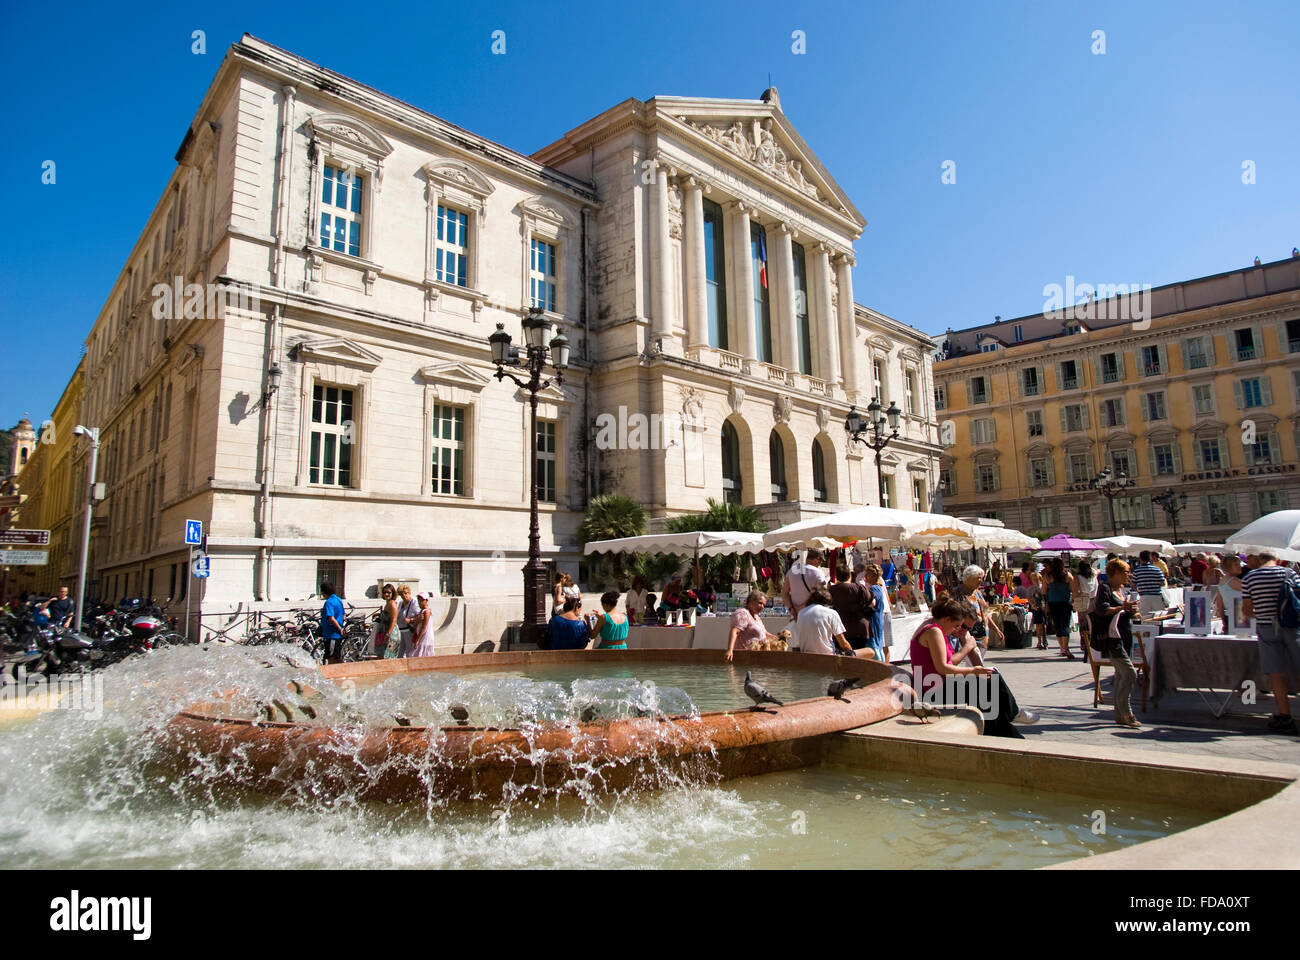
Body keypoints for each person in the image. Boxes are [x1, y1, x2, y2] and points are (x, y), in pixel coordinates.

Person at [908, 597, 1024, 738]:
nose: (956, 629)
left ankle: (1008, 727)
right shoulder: (934, 632)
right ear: (947, 619)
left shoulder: (933, 628)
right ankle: (1013, 715)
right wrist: (972, 669)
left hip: (938, 684)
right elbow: (943, 667)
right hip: (936, 688)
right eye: (956, 625)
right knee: (991, 683)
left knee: (990, 695)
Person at [1242, 551, 1300, 734]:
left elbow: (1248, 610)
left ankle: (1285, 716)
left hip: (1267, 627)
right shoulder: (1289, 574)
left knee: (1277, 674)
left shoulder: (1250, 577)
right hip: (1292, 626)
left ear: (1259, 559)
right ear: (1277, 559)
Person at [1090, 560, 1141, 729]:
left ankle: (1119, 714)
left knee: (1121, 675)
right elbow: (1102, 610)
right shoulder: (1104, 589)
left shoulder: (1120, 590)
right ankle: (1126, 713)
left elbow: (1122, 611)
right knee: (1130, 674)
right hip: (1112, 639)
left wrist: (1131, 610)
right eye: (1126, 572)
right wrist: (1121, 608)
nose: (1128, 575)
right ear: (1117, 573)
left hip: (1124, 635)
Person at [953, 564, 1002, 657]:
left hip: (981, 632)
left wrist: (996, 629)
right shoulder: (957, 593)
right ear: (969, 578)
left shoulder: (977, 593)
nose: (981, 581)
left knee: (978, 659)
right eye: (979, 578)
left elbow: (985, 612)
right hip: (966, 632)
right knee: (973, 660)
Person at [790, 587, 854, 656]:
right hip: (827, 656)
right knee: (867, 651)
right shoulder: (831, 613)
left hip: (807, 656)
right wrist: (852, 653)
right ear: (827, 601)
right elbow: (843, 644)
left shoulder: (801, 613)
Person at [829, 564, 875, 656]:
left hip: (841, 628)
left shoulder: (832, 590)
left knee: (845, 657)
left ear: (837, 576)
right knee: (860, 656)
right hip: (860, 626)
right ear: (850, 575)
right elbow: (872, 603)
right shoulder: (859, 588)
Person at [724, 590, 781, 662]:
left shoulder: (756, 616)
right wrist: (730, 650)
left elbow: (764, 633)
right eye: (760, 603)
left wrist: (778, 638)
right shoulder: (743, 613)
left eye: (764, 605)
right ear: (751, 602)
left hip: (757, 657)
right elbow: (735, 631)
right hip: (745, 657)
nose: (762, 607)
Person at [782, 548, 830, 619]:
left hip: (796, 613)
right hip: (813, 613)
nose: (821, 563)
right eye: (821, 561)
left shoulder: (791, 571)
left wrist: (791, 609)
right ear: (816, 559)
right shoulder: (818, 573)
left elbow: (784, 593)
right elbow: (822, 594)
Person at [1045, 557, 1075, 659]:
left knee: (1057, 625)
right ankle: (1066, 648)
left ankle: (1062, 648)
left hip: (1053, 602)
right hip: (1065, 602)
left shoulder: (1048, 576)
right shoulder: (1067, 575)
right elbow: (1073, 590)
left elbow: (1043, 591)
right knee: (1065, 624)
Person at [1071, 560, 1098, 659]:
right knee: (1092, 623)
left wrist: (1073, 596)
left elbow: (1076, 592)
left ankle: (1085, 644)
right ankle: (1093, 643)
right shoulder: (1093, 576)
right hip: (1093, 601)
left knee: (1083, 625)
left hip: (1083, 601)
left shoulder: (1078, 577)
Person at [1131, 551, 1168, 618]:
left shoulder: (1137, 570)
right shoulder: (1157, 569)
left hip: (1144, 596)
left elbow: (1133, 584)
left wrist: (1138, 591)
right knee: (1158, 617)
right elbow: (1162, 583)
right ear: (1150, 558)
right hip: (1157, 596)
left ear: (1140, 559)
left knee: (1145, 618)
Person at [319, 581, 345, 663]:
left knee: (331, 658)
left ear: (323, 592)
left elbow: (331, 618)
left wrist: (339, 628)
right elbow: (343, 614)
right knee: (337, 657)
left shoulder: (329, 602)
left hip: (332, 634)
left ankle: (333, 675)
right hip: (336, 634)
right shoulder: (338, 599)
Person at [374, 583, 399, 658]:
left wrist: (388, 634)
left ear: (393, 593)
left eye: (388, 592)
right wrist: (379, 615)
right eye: (384, 592)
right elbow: (388, 616)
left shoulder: (392, 604)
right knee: (382, 656)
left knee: (388, 657)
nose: (386, 594)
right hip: (385, 633)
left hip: (391, 634)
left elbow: (394, 620)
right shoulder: (388, 603)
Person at [396, 584, 420, 658]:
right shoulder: (400, 603)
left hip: (409, 630)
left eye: (405, 593)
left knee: (410, 652)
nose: (404, 596)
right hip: (401, 630)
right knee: (400, 652)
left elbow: (420, 615)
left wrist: (410, 620)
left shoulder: (414, 602)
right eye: (401, 594)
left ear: (409, 593)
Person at [410, 591, 436, 657]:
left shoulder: (427, 612)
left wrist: (417, 640)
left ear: (426, 600)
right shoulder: (421, 611)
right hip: (421, 636)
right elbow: (415, 625)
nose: (420, 602)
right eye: (419, 600)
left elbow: (424, 627)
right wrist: (418, 620)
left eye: (422, 600)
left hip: (425, 638)